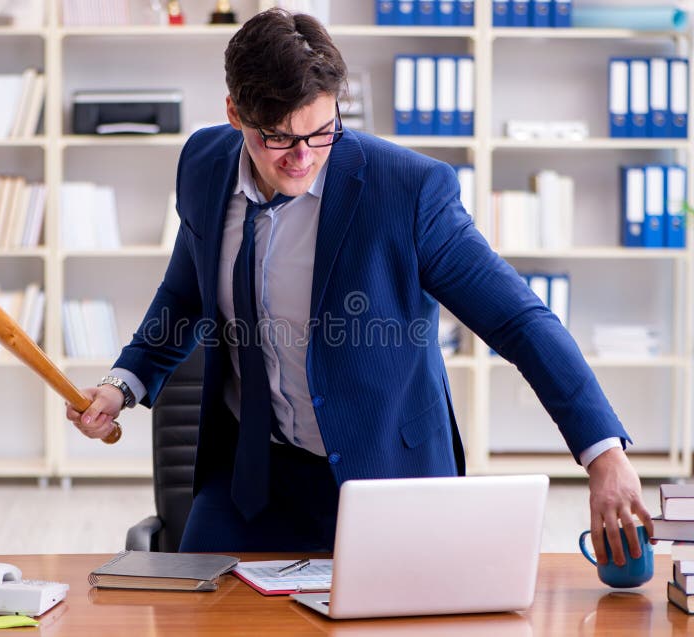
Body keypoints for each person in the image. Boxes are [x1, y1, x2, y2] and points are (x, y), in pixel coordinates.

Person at [66, 8, 653, 561]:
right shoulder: (202, 164)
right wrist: (124, 382)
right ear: (235, 114)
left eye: (321, 132)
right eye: (278, 138)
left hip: (385, 477)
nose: (302, 157)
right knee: (194, 614)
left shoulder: (407, 191)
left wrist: (604, 455)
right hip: (253, 478)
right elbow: (185, 295)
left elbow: (518, 320)